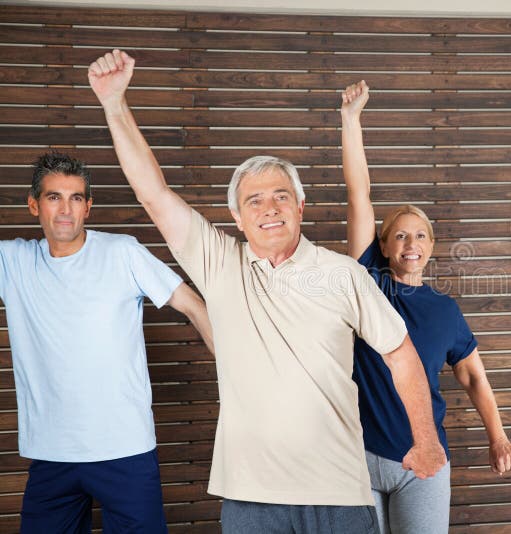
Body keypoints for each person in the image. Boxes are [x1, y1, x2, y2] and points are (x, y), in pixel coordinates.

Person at [88, 49, 446, 533]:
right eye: (253, 200)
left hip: (339, 495)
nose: (269, 207)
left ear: (300, 205)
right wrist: (114, 104)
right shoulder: (219, 263)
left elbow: (400, 353)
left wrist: (426, 439)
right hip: (251, 499)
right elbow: (154, 194)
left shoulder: (343, 274)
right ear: (237, 218)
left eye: (280, 196)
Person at [0, 152, 214, 533]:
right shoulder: (13, 262)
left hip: (125, 450)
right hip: (52, 455)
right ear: (34, 205)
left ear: (88, 207)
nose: (65, 209)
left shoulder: (122, 252)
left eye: (76, 198)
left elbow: (194, 306)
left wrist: (241, 372)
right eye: (54, 197)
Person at [340, 80, 511, 533]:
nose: (410, 242)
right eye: (400, 235)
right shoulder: (368, 280)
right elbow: (359, 194)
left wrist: (497, 437)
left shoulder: (445, 310)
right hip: (358, 459)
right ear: (384, 245)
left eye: (420, 235)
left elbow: (473, 376)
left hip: (423, 461)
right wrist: (351, 119)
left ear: (432, 247)